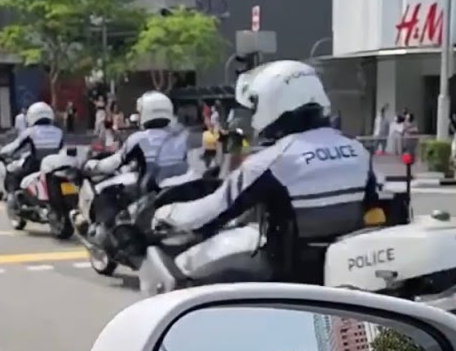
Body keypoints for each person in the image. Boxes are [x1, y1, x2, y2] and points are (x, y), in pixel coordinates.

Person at [149, 60, 376, 284]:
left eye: (257, 104)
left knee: (187, 272)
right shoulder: (357, 150)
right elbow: (376, 209)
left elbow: (211, 212)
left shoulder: (272, 161)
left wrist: (166, 214)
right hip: (344, 279)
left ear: (274, 101)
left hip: (286, 283)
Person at [86, 91, 190, 191]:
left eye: (140, 113)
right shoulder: (183, 135)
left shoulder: (139, 138)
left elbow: (114, 162)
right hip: (178, 190)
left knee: (101, 190)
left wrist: (93, 166)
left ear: (147, 112)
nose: (138, 117)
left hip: (151, 193)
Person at [0, 101, 64, 195]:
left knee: (12, 171)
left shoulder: (30, 132)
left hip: (35, 165)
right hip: (54, 165)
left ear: (31, 116)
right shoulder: (59, 132)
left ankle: (13, 196)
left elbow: (15, 146)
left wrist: (1, 152)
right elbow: (62, 148)